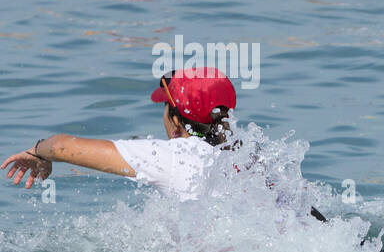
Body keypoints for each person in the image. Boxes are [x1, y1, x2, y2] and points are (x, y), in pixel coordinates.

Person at [3, 67, 238, 201]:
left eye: (165, 107)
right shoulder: (245, 159)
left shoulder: (173, 156)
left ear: (175, 119)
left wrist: (37, 152)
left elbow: (60, 147)